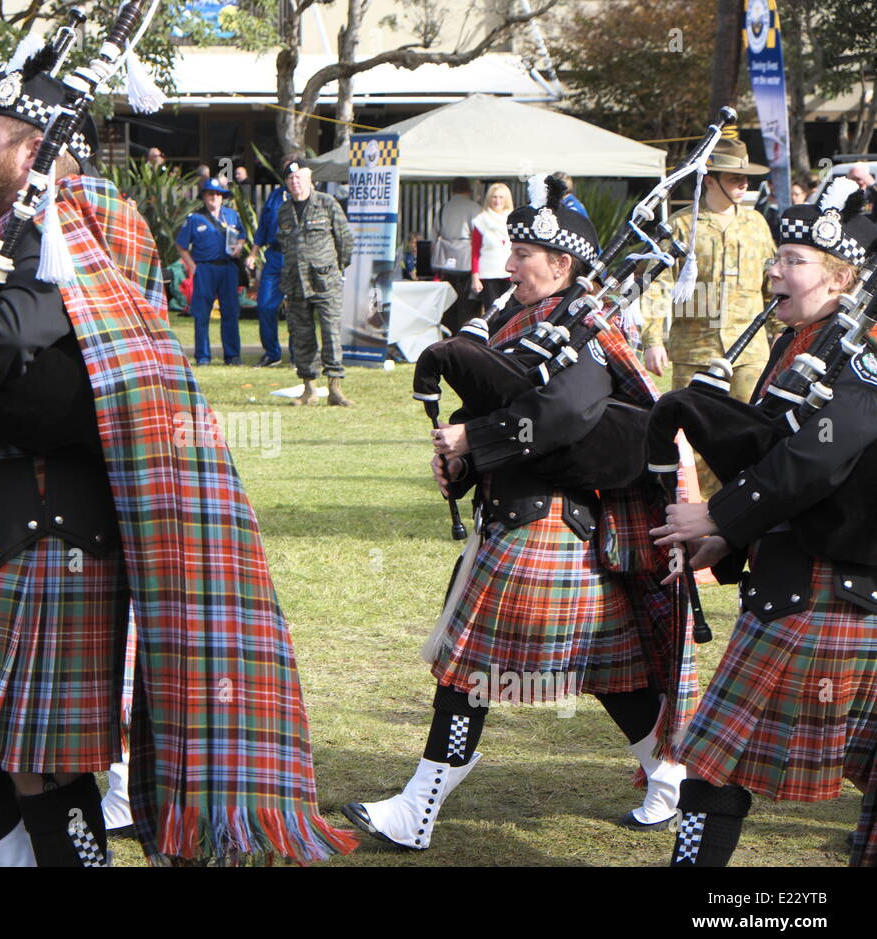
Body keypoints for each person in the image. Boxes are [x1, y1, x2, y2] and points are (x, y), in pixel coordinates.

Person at [0, 49, 355, 867]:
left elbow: (19, 340)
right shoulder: (11, 232)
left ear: (33, 148)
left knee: (41, 765)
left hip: (47, 531)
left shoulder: (85, 222)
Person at [342, 176, 695, 850]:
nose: (508, 266)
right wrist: (464, 463)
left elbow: (565, 414)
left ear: (561, 265)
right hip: (521, 519)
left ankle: (417, 809)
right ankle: (670, 775)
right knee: (610, 671)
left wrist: (474, 440)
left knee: (466, 672)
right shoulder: (524, 320)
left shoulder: (589, 328)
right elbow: (506, 404)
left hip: (550, 526)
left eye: (522, 255)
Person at [651, 180, 877, 867]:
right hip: (798, 575)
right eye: (776, 257)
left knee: (716, 764)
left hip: (832, 586)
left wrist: (719, 513)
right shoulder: (801, 342)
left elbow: (821, 455)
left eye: (794, 260)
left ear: (841, 279)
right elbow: (779, 455)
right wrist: (730, 537)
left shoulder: (862, 349)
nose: (775, 270)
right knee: (713, 766)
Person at [640, 132, 779, 500]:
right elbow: (656, 284)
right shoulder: (683, 226)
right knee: (692, 441)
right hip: (696, 352)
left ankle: (743, 516)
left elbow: (773, 285)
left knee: (751, 436)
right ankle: (694, 517)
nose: (744, 184)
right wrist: (652, 340)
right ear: (711, 179)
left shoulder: (757, 224)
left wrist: (783, 334)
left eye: (746, 178)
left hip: (750, 354)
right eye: (735, 178)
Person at [276, 155, 353, 406]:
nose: (295, 182)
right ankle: (309, 389)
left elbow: (345, 240)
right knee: (301, 335)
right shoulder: (284, 211)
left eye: (299, 177)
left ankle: (335, 388)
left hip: (325, 282)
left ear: (310, 177)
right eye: (290, 178)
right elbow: (283, 245)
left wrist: (334, 268)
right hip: (296, 283)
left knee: (331, 333)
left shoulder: (327, 204)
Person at [176, 178, 246, 366]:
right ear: (204, 197)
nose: (214, 197)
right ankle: (203, 356)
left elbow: (242, 235)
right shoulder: (194, 218)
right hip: (205, 268)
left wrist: (239, 247)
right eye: (210, 194)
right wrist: (192, 265)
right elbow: (181, 245)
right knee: (201, 314)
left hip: (228, 267)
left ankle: (232, 356)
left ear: (222, 197)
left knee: (230, 312)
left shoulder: (231, 215)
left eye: (217, 194)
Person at [431, 177, 482, 332]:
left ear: (452, 190)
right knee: (468, 304)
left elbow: (434, 236)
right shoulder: (475, 208)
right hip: (467, 261)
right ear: (469, 190)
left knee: (448, 302)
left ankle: (448, 333)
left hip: (445, 261)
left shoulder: (443, 208)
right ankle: (466, 333)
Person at [245, 183, 287, 367]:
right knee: (265, 305)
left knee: (298, 309)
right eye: (289, 176)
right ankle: (272, 353)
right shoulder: (275, 197)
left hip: (297, 255)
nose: (293, 180)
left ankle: (299, 356)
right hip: (275, 255)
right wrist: (253, 253)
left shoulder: (310, 197)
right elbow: (263, 227)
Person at [469, 182, 513, 311]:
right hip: (488, 274)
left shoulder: (513, 219)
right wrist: (475, 278)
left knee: (510, 312)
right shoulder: (480, 221)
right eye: (494, 197)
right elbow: (475, 252)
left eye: (501, 197)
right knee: (492, 313)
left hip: (510, 273)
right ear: (489, 199)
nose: (497, 201)